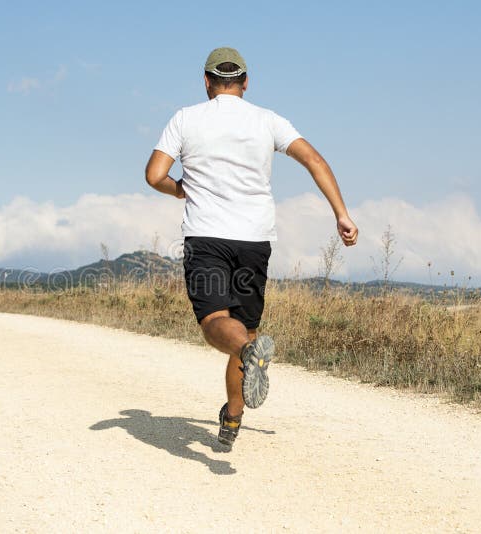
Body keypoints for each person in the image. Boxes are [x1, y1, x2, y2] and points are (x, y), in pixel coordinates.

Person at [145, 47, 358, 449]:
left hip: (207, 237)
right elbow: (314, 159)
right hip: (255, 241)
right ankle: (233, 417)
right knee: (246, 329)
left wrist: (179, 190)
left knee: (217, 326)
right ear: (245, 83)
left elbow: (154, 174)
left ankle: (247, 352)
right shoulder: (267, 120)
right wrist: (342, 215)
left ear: (207, 82)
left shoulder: (186, 118)